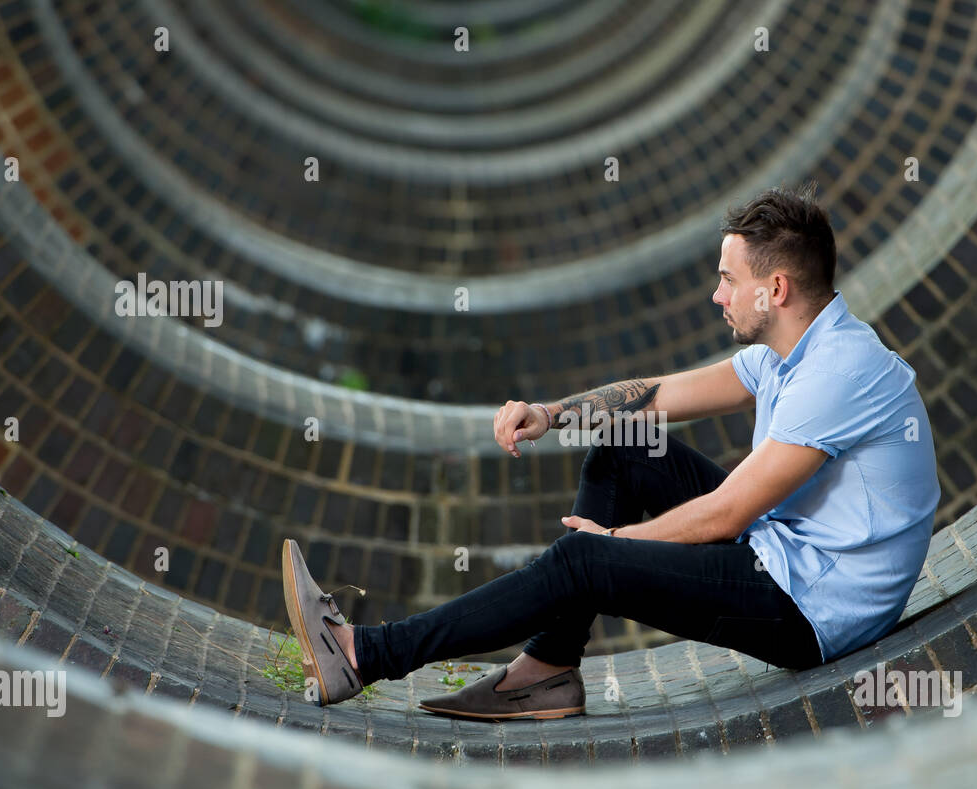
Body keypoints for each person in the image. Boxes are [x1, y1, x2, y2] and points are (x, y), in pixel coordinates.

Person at [281, 182, 940, 719]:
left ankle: (363, 652)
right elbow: (654, 396)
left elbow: (726, 515)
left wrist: (617, 542)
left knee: (583, 559)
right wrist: (551, 414)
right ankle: (547, 671)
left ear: (776, 291)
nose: (717, 295)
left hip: (811, 610)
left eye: (728, 279)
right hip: (787, 558)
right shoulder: (790, 352)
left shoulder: (839, 371)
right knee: (625, 448)